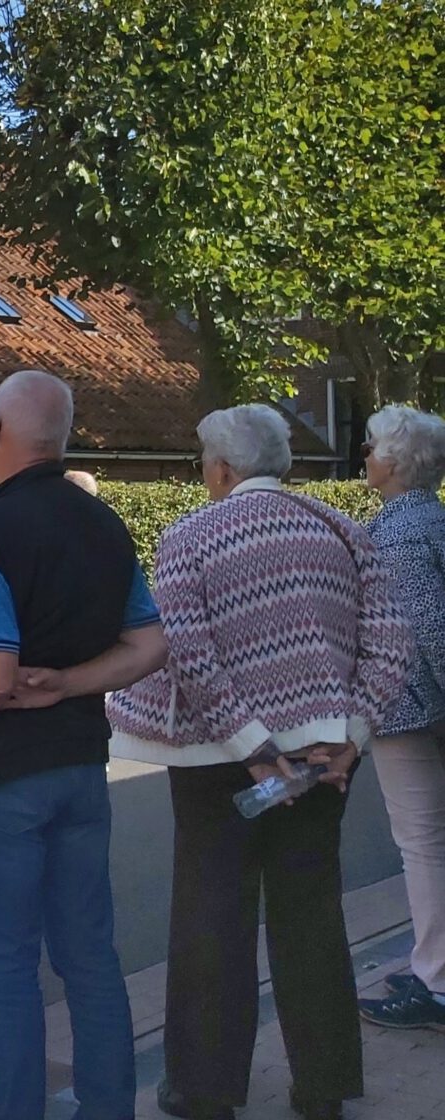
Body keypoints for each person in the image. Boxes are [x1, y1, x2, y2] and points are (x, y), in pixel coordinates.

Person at [106, 403, 410, 1120]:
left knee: (211, 914)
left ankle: (204, 1090)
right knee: (313, 914)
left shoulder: (189, 536)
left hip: (218, 761)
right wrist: (353, 734)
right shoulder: (342, 530)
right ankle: (324, 1089)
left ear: (220, 468)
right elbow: (391, 640)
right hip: (324, 755)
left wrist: (251, 748)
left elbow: (189, 655)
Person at [0, 370, 170, 1120]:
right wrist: (71, 684)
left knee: (7, 966)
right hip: (80, 764)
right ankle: (108, 1107)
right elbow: (150, 644)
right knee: (91, 956)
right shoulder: (104, 523)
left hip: (0, 778)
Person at [358, 405, 445, 1033]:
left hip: (412, 711)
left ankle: (436, 984)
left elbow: (428, 630)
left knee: (423, 846)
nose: (363, 455)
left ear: (392, 461)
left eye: (369, 447)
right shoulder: (432, 517)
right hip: (424, 707)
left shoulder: (398, 532)